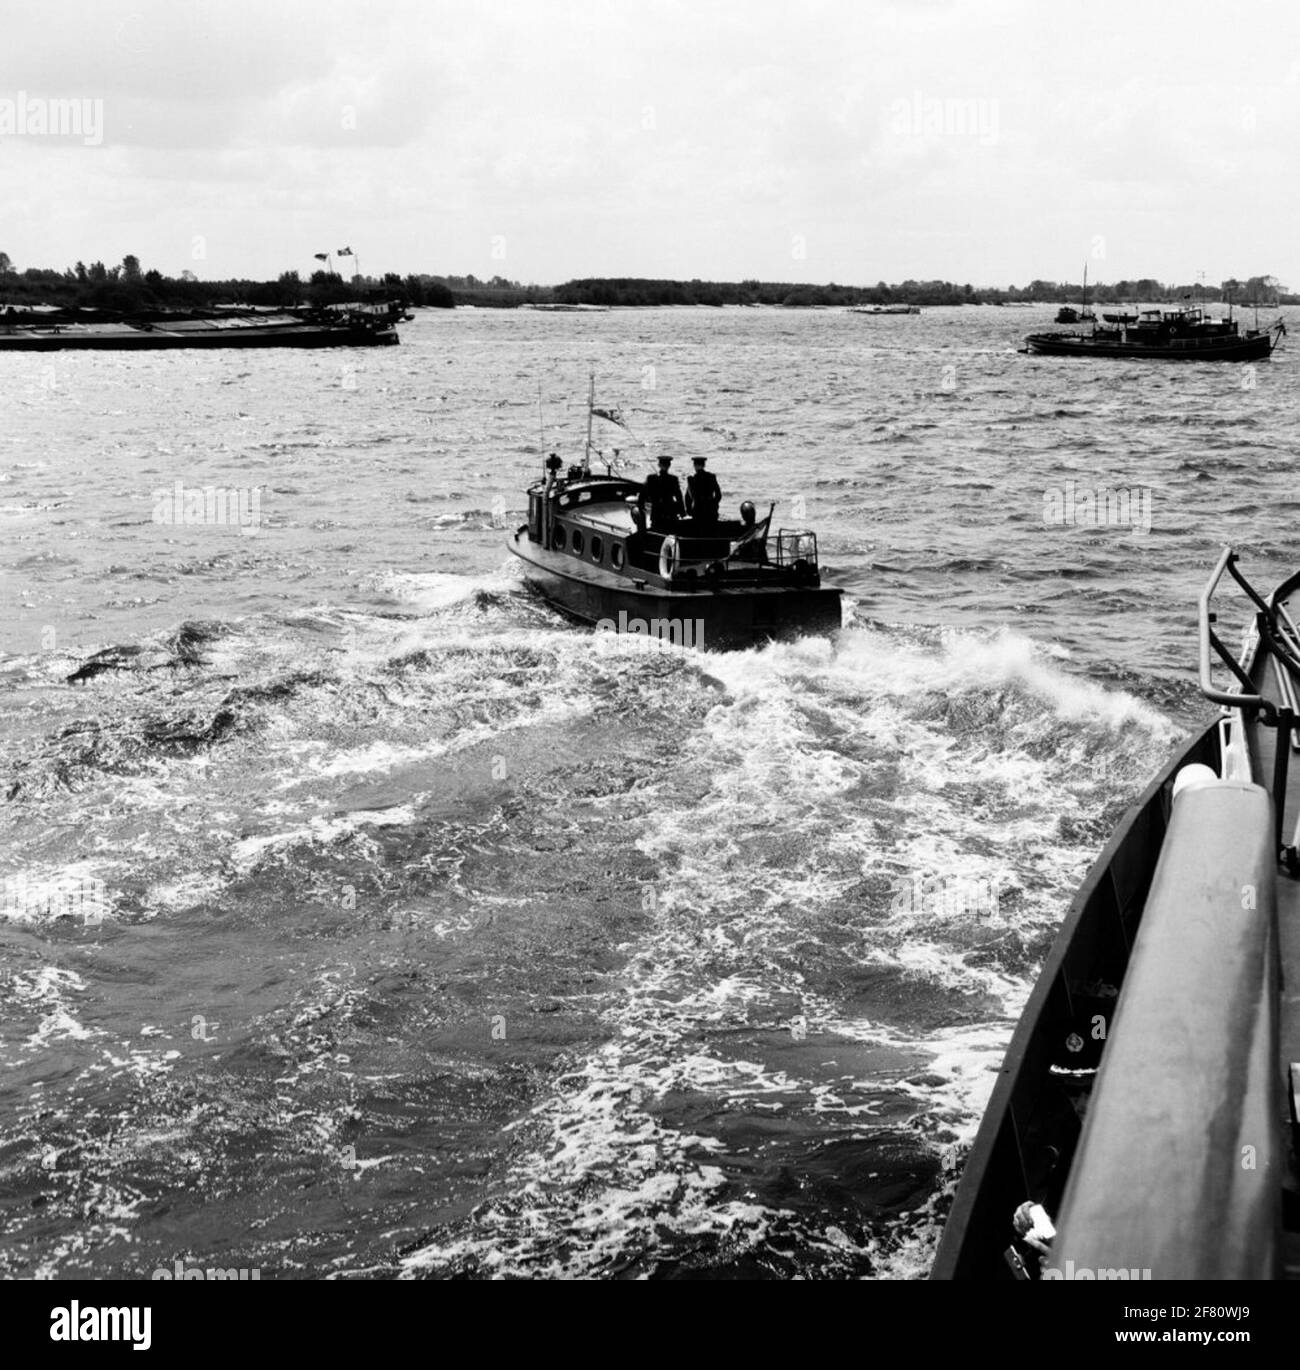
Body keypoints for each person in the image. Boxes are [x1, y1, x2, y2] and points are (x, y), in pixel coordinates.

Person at [638, 453, 685, 531]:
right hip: (670, 513)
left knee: (656, 533)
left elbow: (642, 494)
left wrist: (641, 507)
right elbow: (678, 497)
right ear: (669, 466)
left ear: (659, 465)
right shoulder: (673, 479)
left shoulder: (651, 478)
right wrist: (682, 512)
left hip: (657, 512)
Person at [685, 455, 722, 526]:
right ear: (704, 465)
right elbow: (718, 495)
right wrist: (714, 505)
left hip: (697, 511)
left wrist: (689, 511)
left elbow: (688, 498)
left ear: (694, 466)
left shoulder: (692, 480)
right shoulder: (711, 477)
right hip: (711, 511)